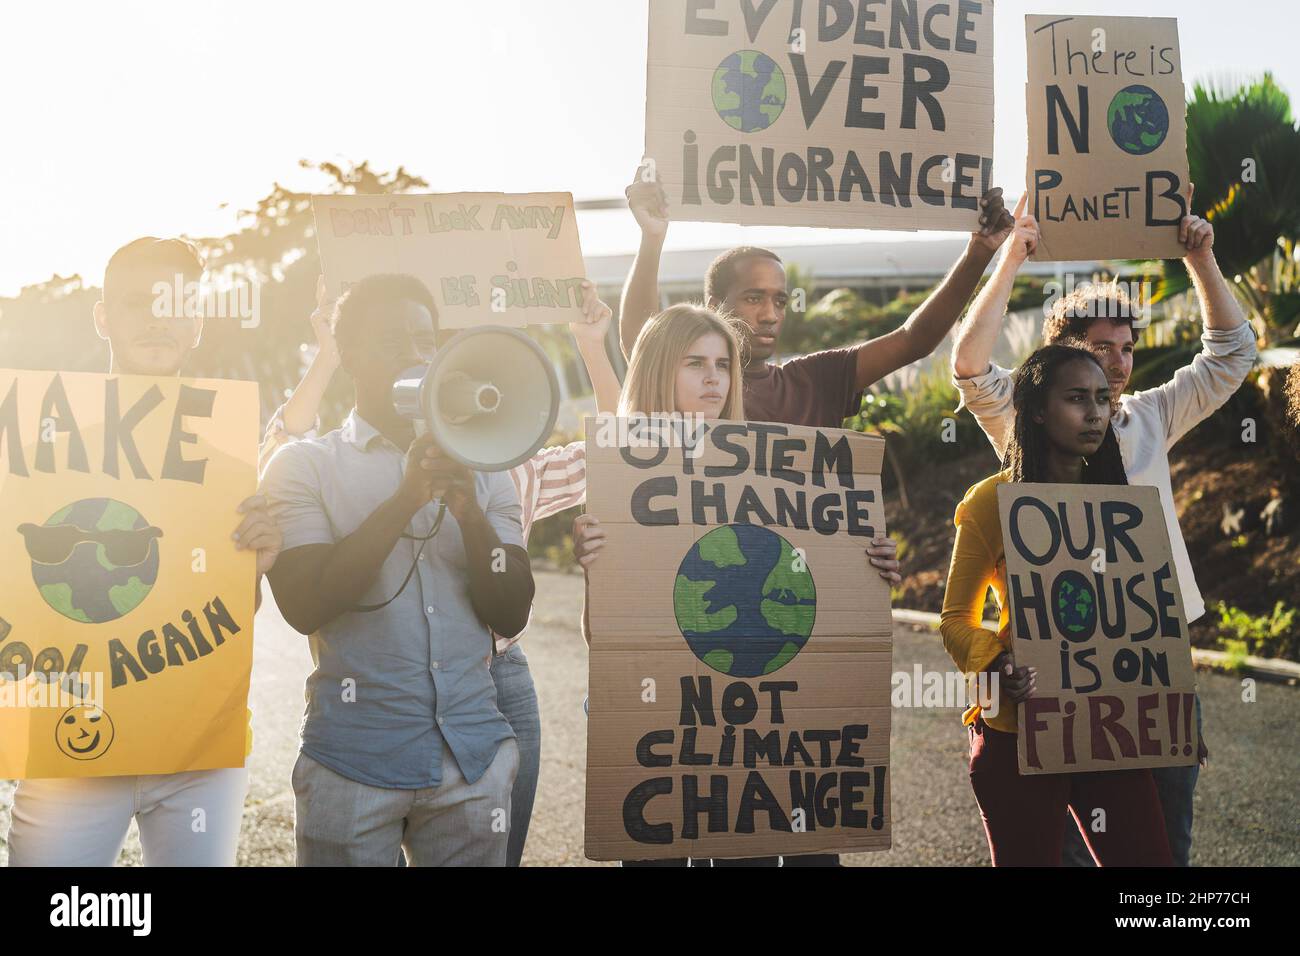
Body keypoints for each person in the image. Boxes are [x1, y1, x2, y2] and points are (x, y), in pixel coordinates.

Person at [258, 276, 620, 867]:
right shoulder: (303, 467)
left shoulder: (488, 470)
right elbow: (306, 604)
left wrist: (470, 515)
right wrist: (404, 500)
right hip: (353, 762)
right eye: (392, 340)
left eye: (425, 341)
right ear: (347, 356)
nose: (415, 355)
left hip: (472, 762)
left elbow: (509, 608)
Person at [950, 189, 1255, 865]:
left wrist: (1201, 258)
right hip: (1049, 672)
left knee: (1158, 845)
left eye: (1127, 348)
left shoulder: (1148, 418)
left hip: (1148, 667)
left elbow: (1233, 353)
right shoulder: (1022, 424)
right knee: (1051, 850)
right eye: (1100, 348)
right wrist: (1012, 255)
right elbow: (969, 365)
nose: (1118, 363)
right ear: (1061, 358)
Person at [572, 303, 903, 867]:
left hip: (770, 728)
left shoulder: (776, 466)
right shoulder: (624, 473)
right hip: (667, 726)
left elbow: (810, 587)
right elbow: (600, 632)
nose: (713, 379)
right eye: (694, 363)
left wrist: (865, 565)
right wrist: (597, 564)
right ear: (657, 369)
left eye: (722, 364)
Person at [6, 237, 281, 867]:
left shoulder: (229, 455)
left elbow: (232, 613)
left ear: (198, 321)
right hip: (67, 747)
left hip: (197, 753)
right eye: (137, 302)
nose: (157, 317)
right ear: (103, 316)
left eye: (175, 303)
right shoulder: (33, 446)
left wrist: (254, 565)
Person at [940, 345, 1175, 866]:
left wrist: (1167, 703)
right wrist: (998, 665)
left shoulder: (1123, 504)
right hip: (1017, 733)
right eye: (1075, 399)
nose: (1094, 413)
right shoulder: (990, 500)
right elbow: (956, 620)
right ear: (1038, 410)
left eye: (1101, 399)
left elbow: (1140, 620)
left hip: (1109, 726)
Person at [619, 164, 1017, 429]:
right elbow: (642, 339)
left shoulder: (815, 381)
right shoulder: (690, 387)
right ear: (713, 308)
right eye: (754, 298)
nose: (770, 314)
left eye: (779, 300)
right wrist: (652, 238)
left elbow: (914, 340)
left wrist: (979, 253)